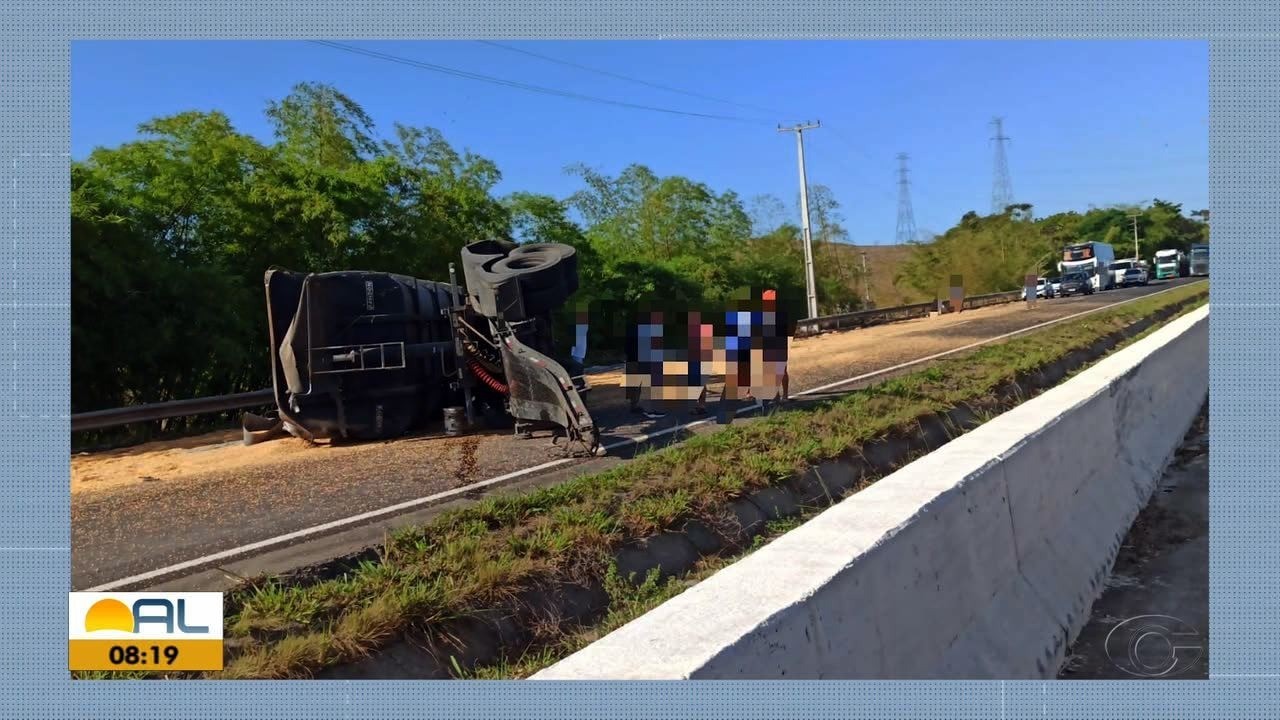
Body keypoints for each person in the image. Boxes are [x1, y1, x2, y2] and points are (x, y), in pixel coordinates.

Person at [623, 309, 667, 420]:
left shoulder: (630, 328)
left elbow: (626, 346)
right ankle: (650, 410)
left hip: (632, 359)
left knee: (634, 385)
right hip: (643, 360)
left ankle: (634, 405)